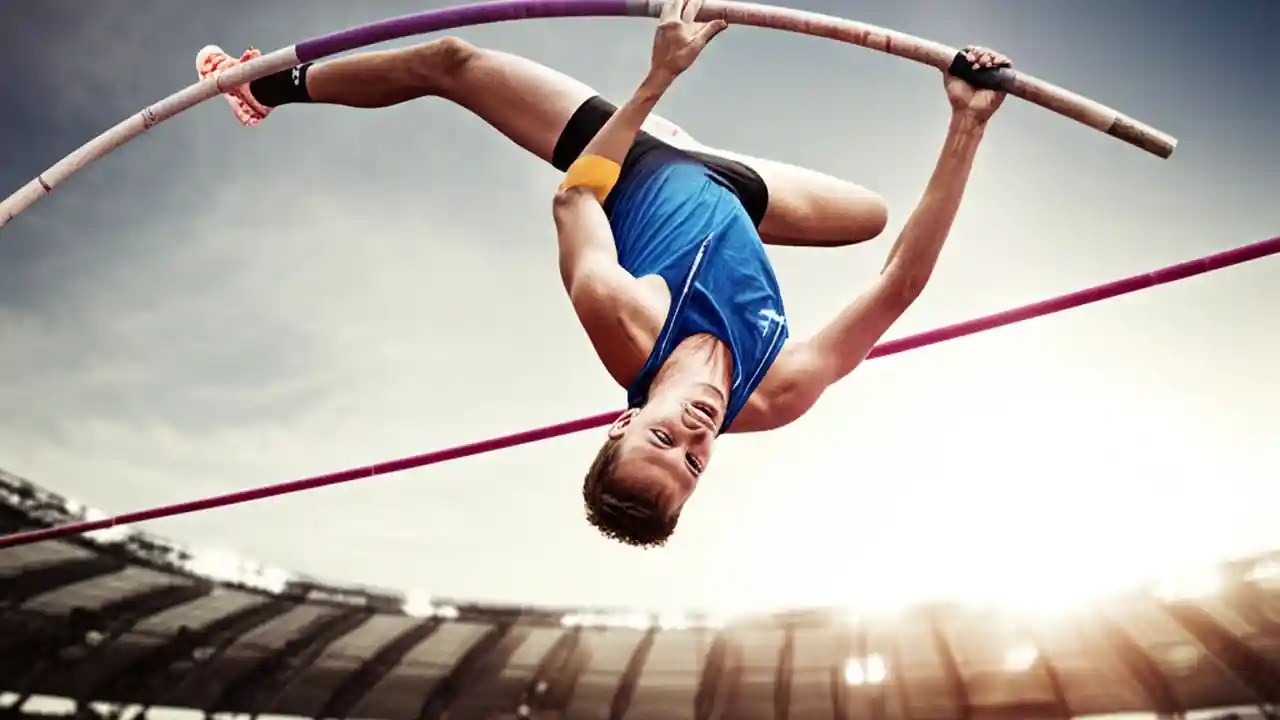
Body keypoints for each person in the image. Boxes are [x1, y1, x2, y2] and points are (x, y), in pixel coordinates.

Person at [197, 0, 1010, 548]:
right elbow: (899, 284)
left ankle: (269, 88)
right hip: (734, 185)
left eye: (663, 436)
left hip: (634, 160)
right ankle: (705, 150)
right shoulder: (774, 395)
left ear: (621, 424)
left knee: (454, 60)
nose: (694, 433)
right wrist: (964, 123)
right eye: (695, 461)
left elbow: (576, 195)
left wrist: (658, 79)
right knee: (867, 216)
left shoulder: (622, 316)